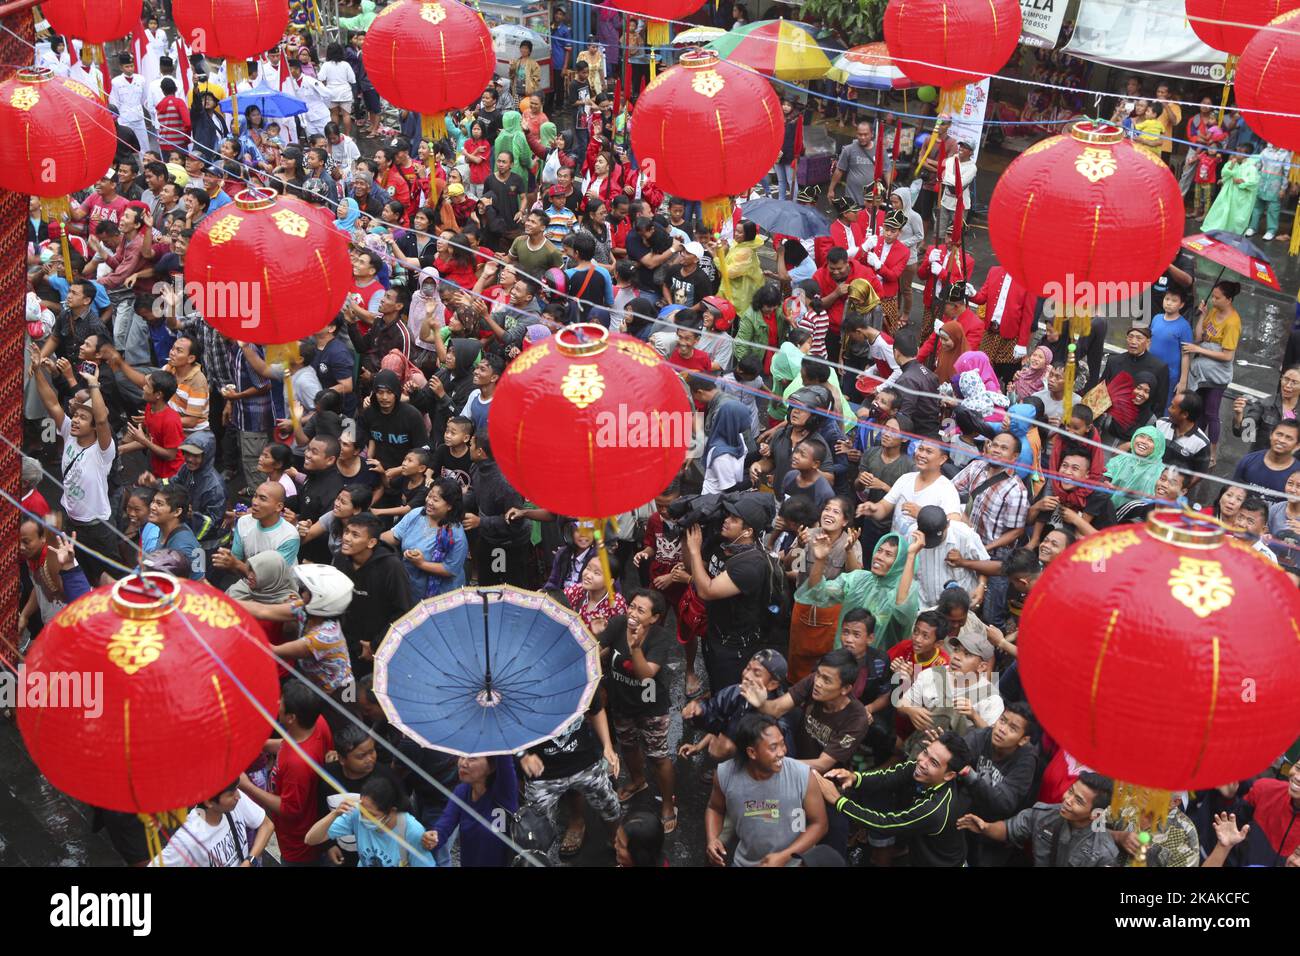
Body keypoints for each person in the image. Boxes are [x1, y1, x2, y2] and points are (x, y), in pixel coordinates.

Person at [812, 731, 973, 867]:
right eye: (925, 751)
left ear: (949, 775)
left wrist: (838, 800)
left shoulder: (935, 809)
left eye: (934, 762)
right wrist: (855, 778)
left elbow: (886, 823)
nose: (922, 762)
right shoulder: (922, 769)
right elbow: (889, 776)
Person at [600, 589, 677, 833]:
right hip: (621, 703)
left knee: (657, 756)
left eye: (640, 610)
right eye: (631, 606)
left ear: (654, 618)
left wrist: (634, 647)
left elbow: (645, 675)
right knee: (629, 746)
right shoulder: (619, 623)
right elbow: (598, 648)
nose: (632, 613)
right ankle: (637, 781)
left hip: (651, 707)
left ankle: (667, 804)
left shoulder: (660, 638)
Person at [706, 713, 828, 867]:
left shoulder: (802, 775)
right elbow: (715, 808)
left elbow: (819, 824)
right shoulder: (725, 774)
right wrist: (712, 839)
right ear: (752, 752)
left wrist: (784, 856)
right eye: (773, 747)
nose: (782, 752)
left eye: (782, 743)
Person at [238, 681, 334, 866]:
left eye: (280, 703)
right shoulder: (316, 723)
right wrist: (263, 744)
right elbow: (288, 743)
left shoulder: (297, 764)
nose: (277, 705)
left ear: (291, 717)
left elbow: (289, 809)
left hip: (298, 844)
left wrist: (247, 786)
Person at [957, 771, 1120, 866]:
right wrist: (985, 827)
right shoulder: (1046, 815)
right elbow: (1010, 829)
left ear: (1096, 815)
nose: (1067, 800)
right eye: (1070, 791)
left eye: (1078, 801)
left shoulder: (1104, 852)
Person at [1181, 281, 1241, 469]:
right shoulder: (1214, 311)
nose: (1213, 300)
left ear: (1229, 299)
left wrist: (1198, 349)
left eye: (1217, 297)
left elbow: (1227, 355)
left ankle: (1212, 454)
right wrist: (1203, 315)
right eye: (1213, 296)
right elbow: (1199, 337)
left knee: (1211, 412)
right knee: (1198, 410)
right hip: (1202, 371)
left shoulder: (1233, 322)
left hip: (1217, 374)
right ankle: (1194, 446)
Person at [150, 782, 274, 868]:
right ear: (209, 802)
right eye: (231, 794)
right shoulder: (188, 838)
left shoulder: (235, 802)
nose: (238, 796)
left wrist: (249, 861)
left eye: (236, 789)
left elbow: (267, 825)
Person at [430, 755, 518, 867]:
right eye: (461, 757)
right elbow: (446, 822)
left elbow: (504, 759)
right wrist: (434, 836)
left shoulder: (504, 792)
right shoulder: (461, 791)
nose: (463, 764)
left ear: (491, 767)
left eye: (472, 759)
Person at [1234, 365, 1300, 453]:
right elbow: (1245, 434)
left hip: (1290, 463)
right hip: (1262, 459)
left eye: (1294, 382)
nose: (1288, 385)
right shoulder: (1265, 404)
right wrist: (1239, 415)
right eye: (1286, 379)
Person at [1202, 144, 1260, 234]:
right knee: (1222, 210)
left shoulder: (1251, 168)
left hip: (1241, 196)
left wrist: (1242, 182)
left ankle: (1233, 233)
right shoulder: (1231, 163)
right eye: (1236, 152)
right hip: (1228, 192)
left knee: (1237, 216)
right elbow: (1224, 173)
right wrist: (1231, 166)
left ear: (1246, 155)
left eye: (1240, 153)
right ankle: (1218, 230)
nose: (1237, 154)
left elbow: (1254, 182)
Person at [1233, 420, 1300, 497]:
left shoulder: (1298, 473)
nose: (1281, 440)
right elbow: (1232, 492)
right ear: (1271, 435)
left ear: (1298, 445)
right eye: (1279, 434)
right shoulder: (1248, 461)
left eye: (1289, 438)